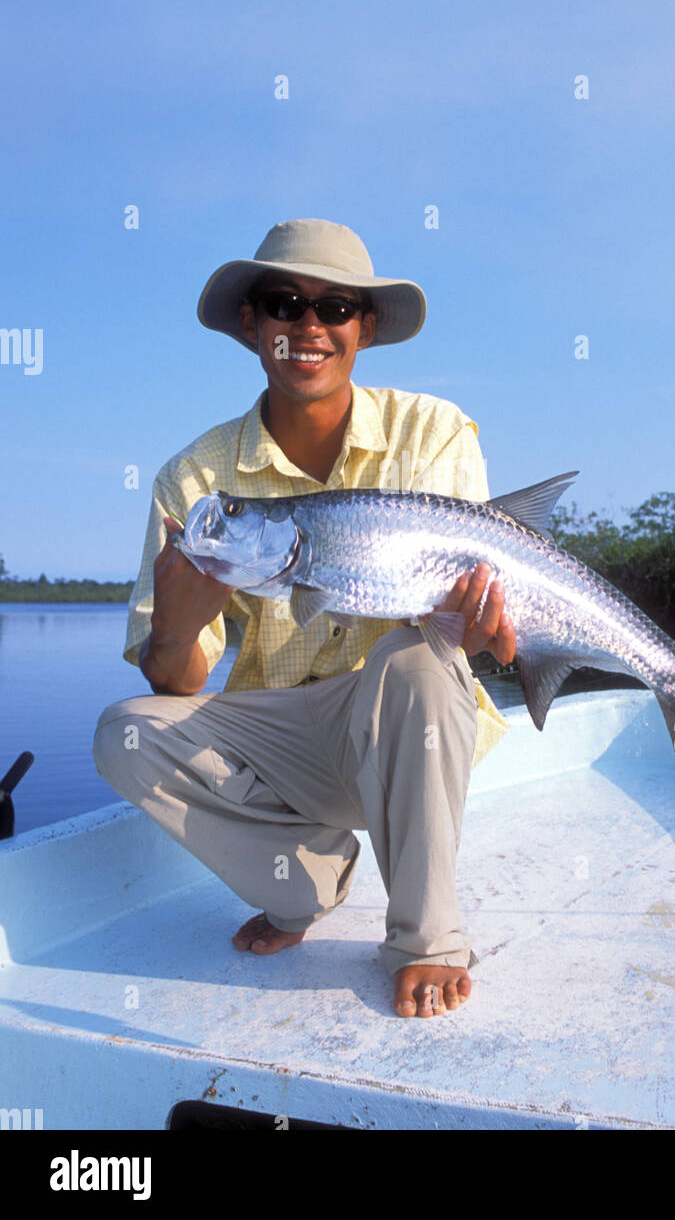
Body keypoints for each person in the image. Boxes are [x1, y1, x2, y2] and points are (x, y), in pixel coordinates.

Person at [92, 218, 514, 1020]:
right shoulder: (196, 480)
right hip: (283, 745)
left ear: (367, 326)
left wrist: (492, 630)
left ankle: (427, 941)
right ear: (252, 324)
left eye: (336, 308)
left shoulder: (433, 432)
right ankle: (308, 875)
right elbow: (174, 681)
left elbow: (465, 632)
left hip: (408, 733)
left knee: (415, 660)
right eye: (284, 304)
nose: (308, 328)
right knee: (125, 733)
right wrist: (179, 628)